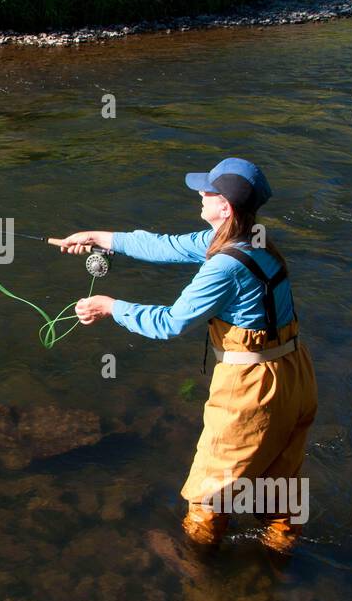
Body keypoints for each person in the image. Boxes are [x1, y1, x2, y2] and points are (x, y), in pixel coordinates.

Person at [51, 157, 318, 556]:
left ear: (224, 206)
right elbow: (164, 246)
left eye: (208, 191)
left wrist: (111, 306)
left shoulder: (223, 266)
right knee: (277, 487)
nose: (199, 193)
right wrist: (97, 237)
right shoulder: (251, 238)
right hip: (295, 375)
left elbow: (170, 323)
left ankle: (198, 575)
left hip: (254, 391)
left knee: (210, 495)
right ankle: (280, 564)